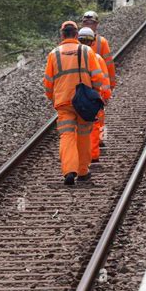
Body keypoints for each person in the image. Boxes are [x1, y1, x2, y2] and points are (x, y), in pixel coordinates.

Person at [43, 21, 105, 186]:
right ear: (76, 35)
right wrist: (95, 94)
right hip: (83, 102)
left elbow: (48, 83)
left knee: (67, 135)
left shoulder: (53, 54)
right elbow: (98, 77)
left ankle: (69, 171)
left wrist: (53, 98)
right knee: (84, 135)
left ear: (62, 35)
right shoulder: (87, 51)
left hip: (64, 102)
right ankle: (83, 171)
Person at [78, 27, 111, 162]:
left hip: (76, 97)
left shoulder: (72, 56)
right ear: (92, 42)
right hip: (92, 97)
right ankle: (93, 155)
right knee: (94, 125)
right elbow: (103, 80)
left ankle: (79, 155)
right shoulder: (97, 58)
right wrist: (105, 96)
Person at [82, 10, 116, 94]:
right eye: (86, 23)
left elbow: (109, 65)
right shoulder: (75, 41)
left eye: (91, 23)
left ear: (96, 24)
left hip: (97, 82)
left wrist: (111, 84)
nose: (89, 26)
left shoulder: (102, 42)